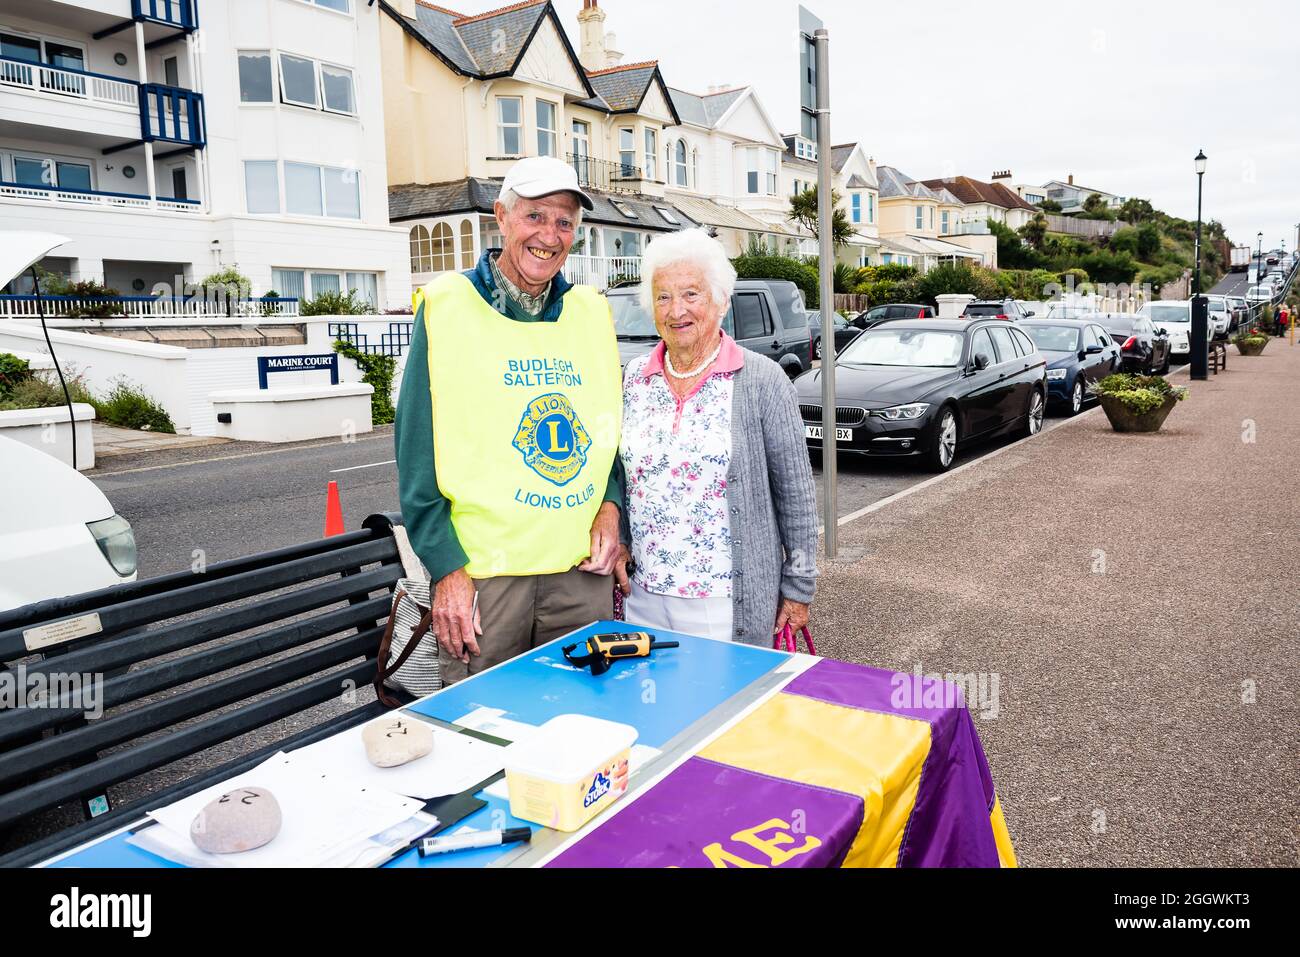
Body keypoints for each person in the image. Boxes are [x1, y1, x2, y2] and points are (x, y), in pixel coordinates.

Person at [395, 157, 625, 685]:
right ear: (501, 216)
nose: (550, 235)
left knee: (582, 721)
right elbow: (415, 451)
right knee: (482, 727)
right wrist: (445, 568)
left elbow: (608, 435)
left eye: (565, 222)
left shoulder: (591, 313)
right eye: (535, 217)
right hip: (483, 576)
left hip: (578, 575)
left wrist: (611, 509)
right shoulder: (448, 307)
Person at [616, 228, 818, 644]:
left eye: (691, 294)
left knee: (725, 705)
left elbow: (796, 495)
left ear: (721, 301)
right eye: (663, 297)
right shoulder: (633, 378)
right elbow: (617, 475)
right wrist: (618, 539)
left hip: (724, 601)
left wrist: (798, 589)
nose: (676, 311)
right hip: (643, 595)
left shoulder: (763, 379)